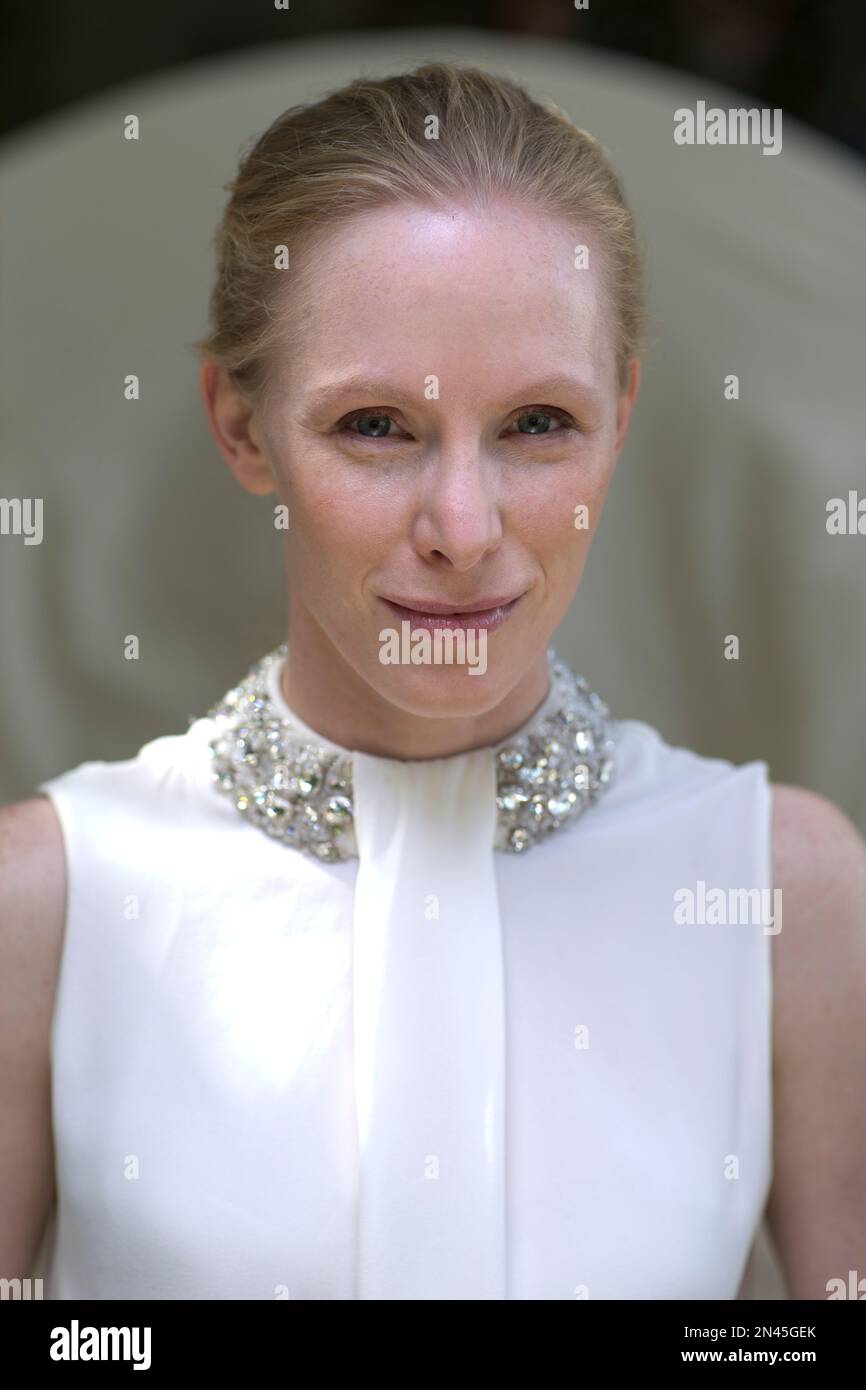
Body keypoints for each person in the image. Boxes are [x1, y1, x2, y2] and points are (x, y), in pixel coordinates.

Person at [2, 62, 864, 1302]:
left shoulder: (777, 884)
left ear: (619, 416)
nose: (462, 526)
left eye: (534, 425)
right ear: (240, 428)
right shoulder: (48, 901)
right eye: (375, 427)